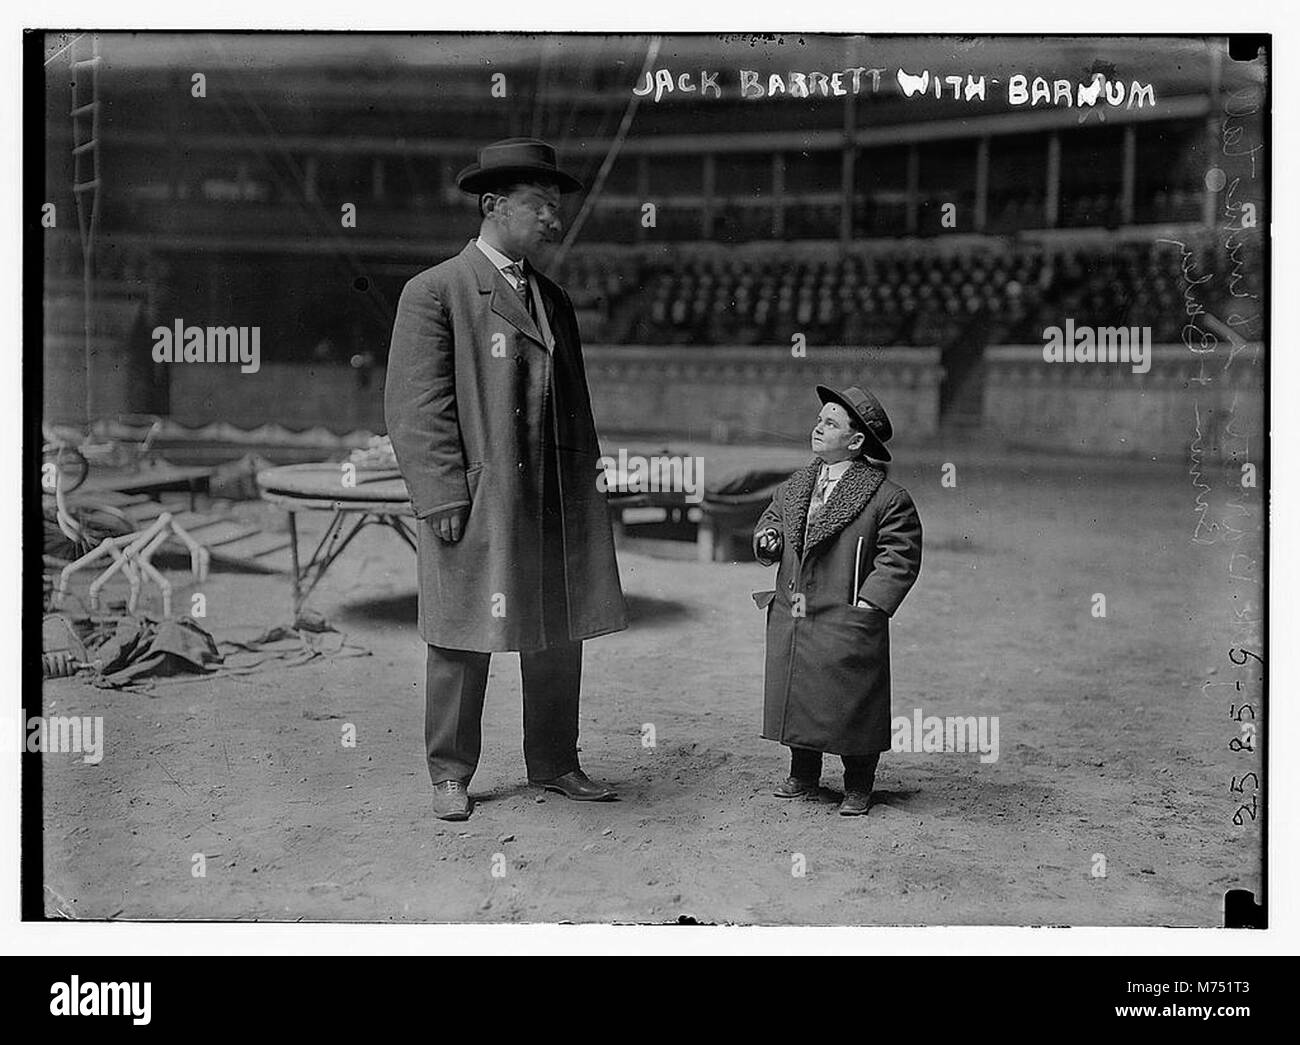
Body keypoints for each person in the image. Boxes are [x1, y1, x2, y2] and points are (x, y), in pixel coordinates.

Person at [384, 138, 627, 821]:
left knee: (558, 626)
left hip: (553, 498)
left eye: (555, 206)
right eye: (540, 205)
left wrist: (585, 498)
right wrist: (440, 497)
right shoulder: (434, 292)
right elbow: (416, 407)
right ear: (493, 206)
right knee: (463, 630)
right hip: (479, 497)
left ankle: (555, 760)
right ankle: (450, 773)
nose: (554, 218)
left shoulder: (553, 298)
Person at [752, 385, 923, 816]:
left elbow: (899, 555)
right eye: (819, 419)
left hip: (846, 613)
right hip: (796, 608)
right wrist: (769, 539)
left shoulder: (887, 497)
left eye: (831, 423)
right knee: (799, 690)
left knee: (852, 700)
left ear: (857, 440)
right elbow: (772, 520)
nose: (818, 427)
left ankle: (858, 785)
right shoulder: (796, 486)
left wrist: (869, 604)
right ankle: (803, 772)